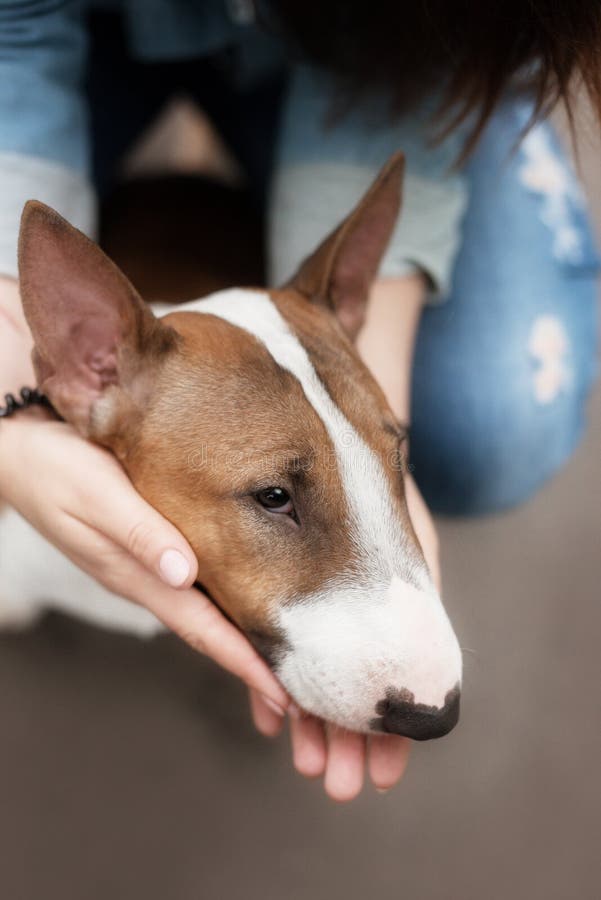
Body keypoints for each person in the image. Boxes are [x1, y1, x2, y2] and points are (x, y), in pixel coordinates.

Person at [0, 1, 599, 803]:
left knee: (494, 419)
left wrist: (370, 391)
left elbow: (400, 57)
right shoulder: (108, 368)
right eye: (275, 496)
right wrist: (15, 415)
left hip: (375, 47)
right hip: (64, 26)